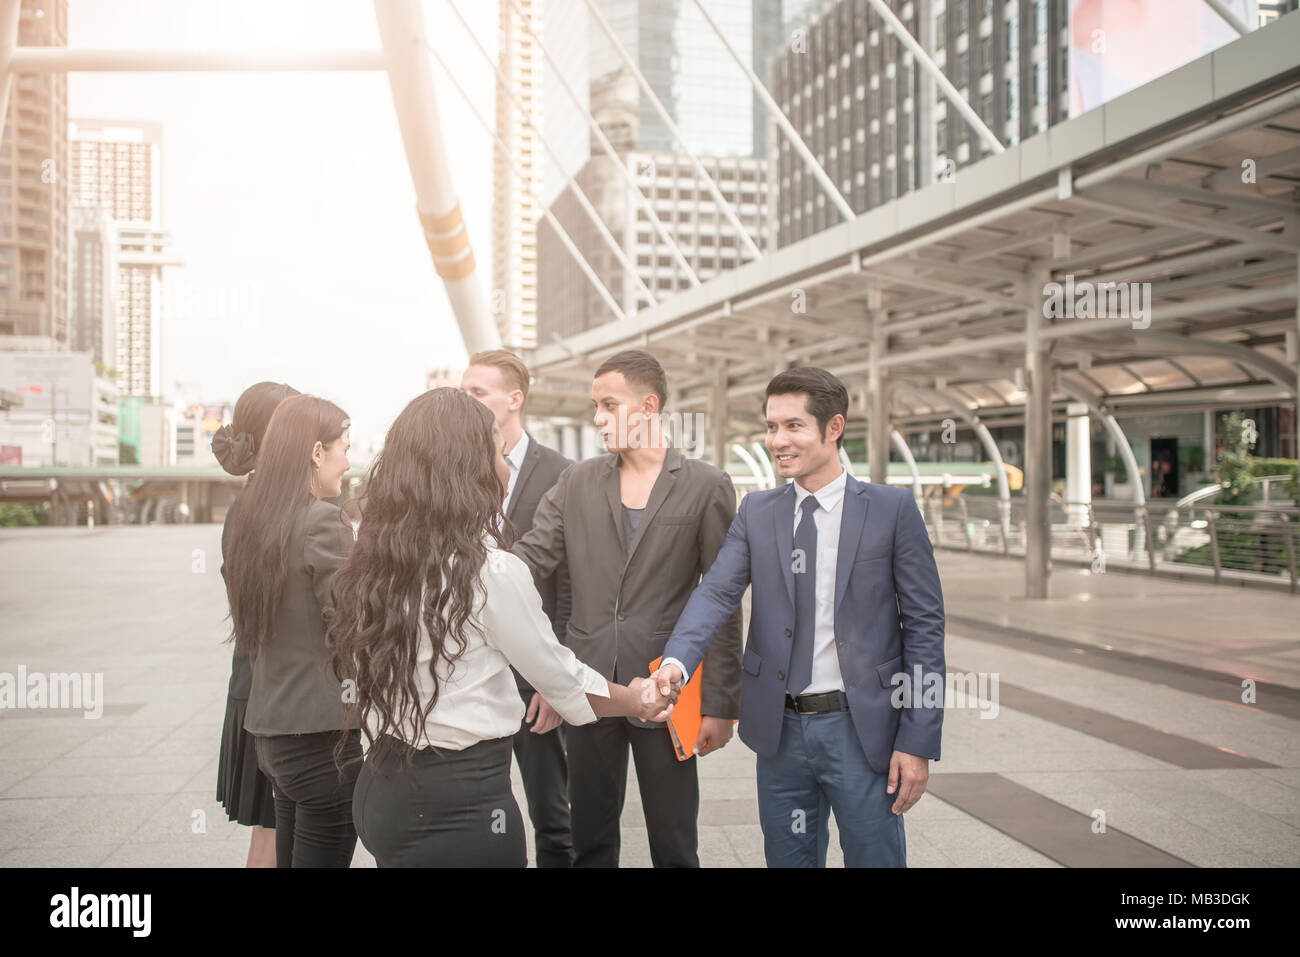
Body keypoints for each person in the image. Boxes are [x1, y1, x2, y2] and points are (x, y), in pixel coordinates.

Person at [327, 388, 673, 868]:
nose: (504, 460)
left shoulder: (374, 556)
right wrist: (638, 699)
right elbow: (561, 677)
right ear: (468, 465)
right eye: (495, 447)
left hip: (382, 790)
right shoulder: (489, 572)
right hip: (460, 808)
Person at [653, 367, 946, 868]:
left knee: (875, 858)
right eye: (771, 427)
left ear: (833, 428)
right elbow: (717, 593)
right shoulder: (758, 512)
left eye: (793, 426)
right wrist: (676, 664)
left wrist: (917, 741)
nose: (777, 441)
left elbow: (924, 628)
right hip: (781, 731)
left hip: (861, 728)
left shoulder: (891, 510)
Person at [513, 349, 743, 868]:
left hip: (668, 688)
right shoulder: (576, 481)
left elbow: (723, 599)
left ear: (648, 406)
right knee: (589, 836)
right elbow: (530, 560)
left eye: (609, 404)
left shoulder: (707, 486)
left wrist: (722, 704)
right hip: (589, 687)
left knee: (674, 839)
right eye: (596, 406)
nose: (598, 418)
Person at [225, 394, 358, 868]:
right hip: (322, 735)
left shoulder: (253, 519)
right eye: (344, 445)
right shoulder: (323, 521)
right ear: (317, 452)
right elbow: (353, 625)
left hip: (273, 732)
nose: (349, 458)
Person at [461, 350, 576, 867]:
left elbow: (574, 584)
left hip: (535, 676)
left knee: (555, 815)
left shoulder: (563, 474)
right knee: (470, 817)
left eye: (477, 392)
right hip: (467, 675)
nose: (467, 401)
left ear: (514, 399)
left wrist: (558, 683)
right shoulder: (452, 468)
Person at [213, 380, 299, 868]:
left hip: (259, 688)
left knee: (273, 835)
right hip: (272, 694)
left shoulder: (252, 504)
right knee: (274, 836)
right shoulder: (268, 511)